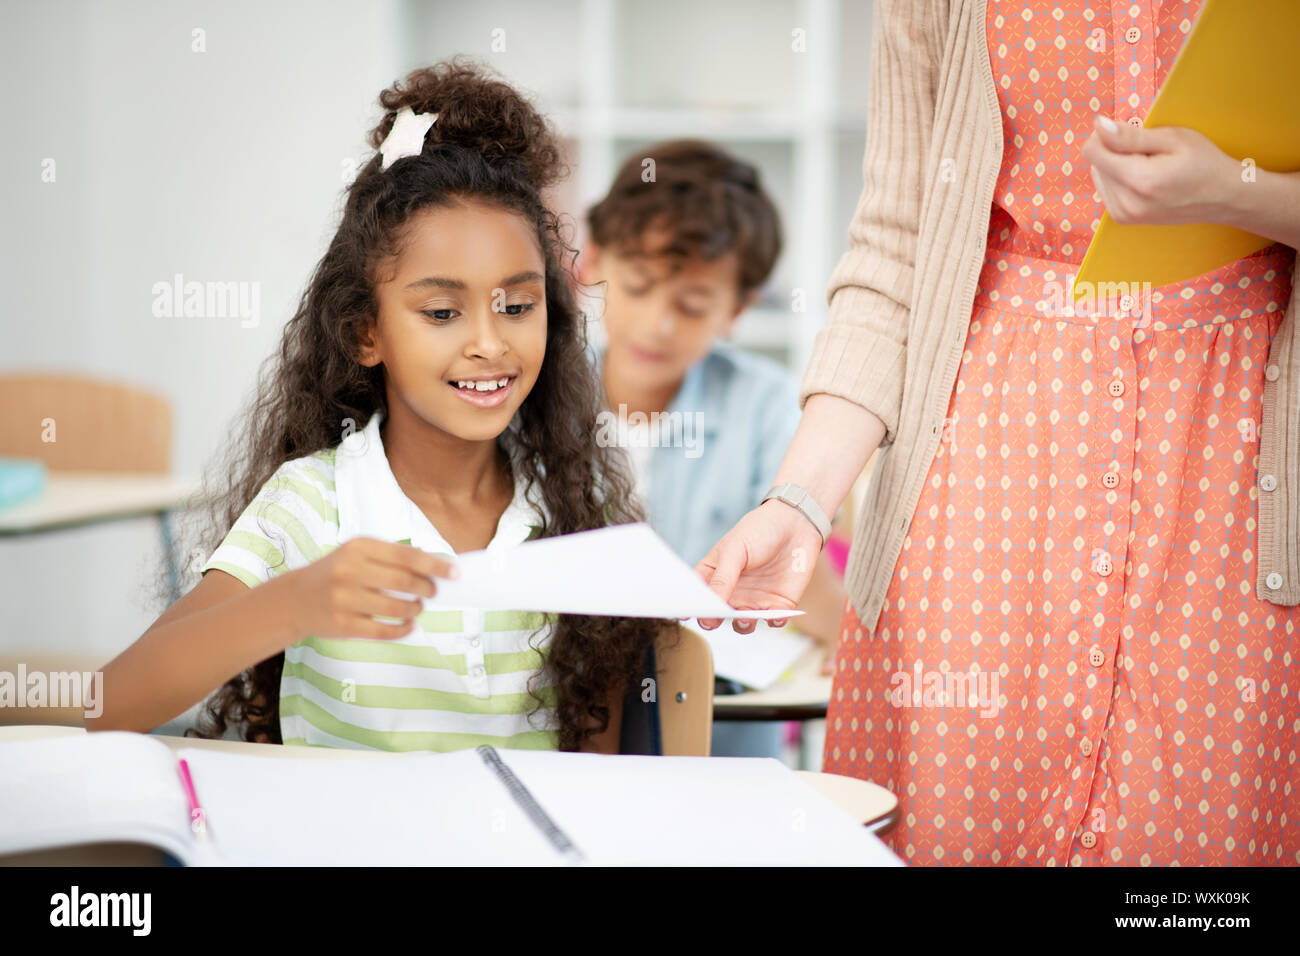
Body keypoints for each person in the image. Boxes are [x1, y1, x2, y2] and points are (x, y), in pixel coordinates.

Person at [697, 0, 1300, 864]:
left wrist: (1239, 192)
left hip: (1238, 468)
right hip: (984, 463)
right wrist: (800, 501)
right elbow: (893, 251)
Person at [87, 61, 659, 754]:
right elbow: (107, 705)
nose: (489, 343)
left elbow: (597, 771)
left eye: (517, 305)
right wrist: (295, 602)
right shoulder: (310, 504)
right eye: (443, 311)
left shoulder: (578, 507)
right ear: (366, 332)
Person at [582, 140, 846, 756]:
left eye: (693, 305)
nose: (658, 324)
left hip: (721, 742)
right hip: (572, 733)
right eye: (639, 285)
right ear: (594, 262)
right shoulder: (541, 398)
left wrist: (840, 631)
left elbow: (809, 587)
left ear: (738, 308)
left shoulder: (767, 405)